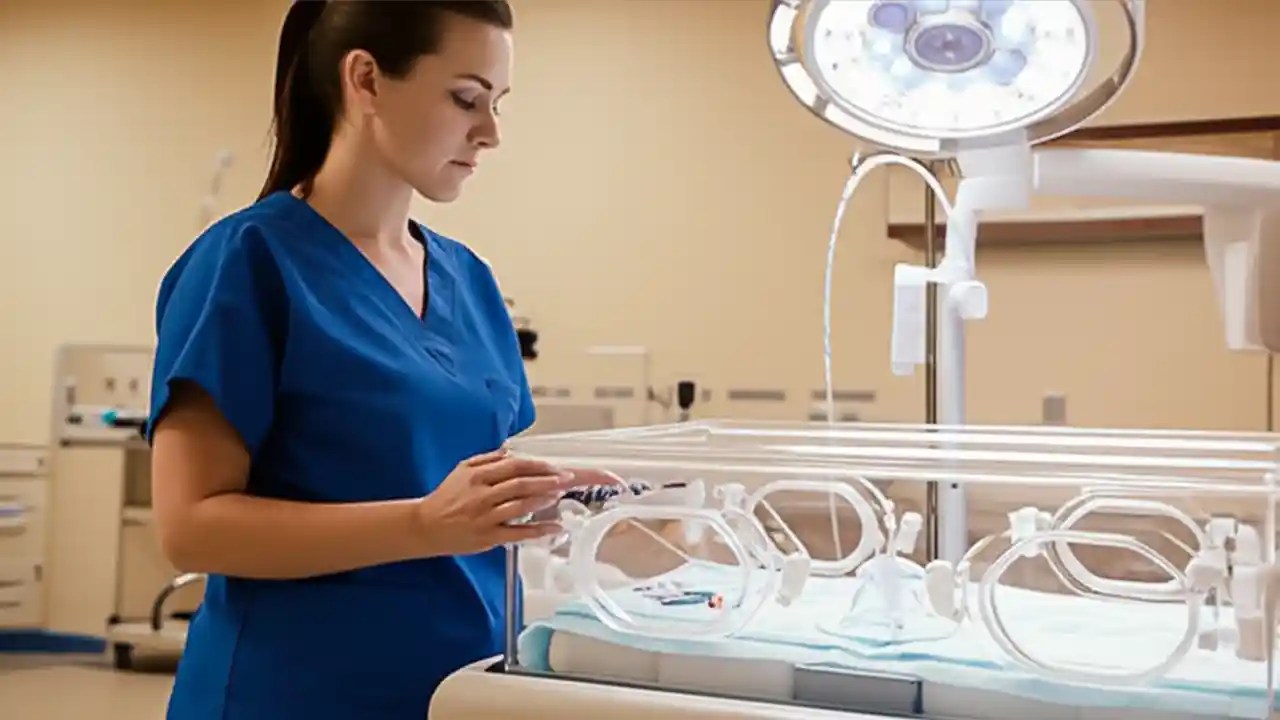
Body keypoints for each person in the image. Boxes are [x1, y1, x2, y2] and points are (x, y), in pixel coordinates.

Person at [145, 2, 601, 717]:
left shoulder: (469, 280)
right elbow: (189, 527)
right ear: (366, 80)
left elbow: (469, 488)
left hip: (461, 688)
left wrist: (573, 496)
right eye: (465, 98)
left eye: (497, 104)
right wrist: (424, 524)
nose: (489, 133)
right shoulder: (248, 263)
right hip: (295, 691)